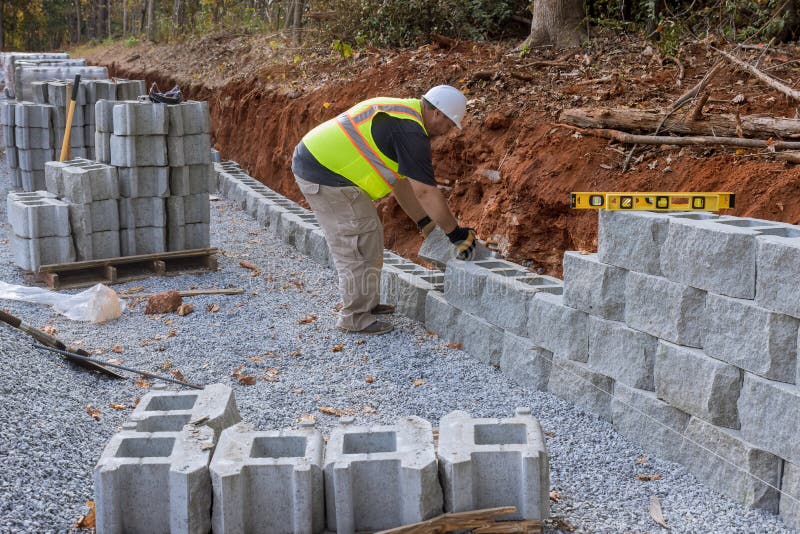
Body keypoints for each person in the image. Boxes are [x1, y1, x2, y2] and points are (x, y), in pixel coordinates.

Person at [292, 85, 478, 335]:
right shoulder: (411, 132)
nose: (447, 132)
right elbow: (425, 191)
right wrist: (455, 235)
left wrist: (425, 223)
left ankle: (366, 305)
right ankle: (355, 317)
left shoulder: (404, 115)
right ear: (437, 114)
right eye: (449, 124)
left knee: (369, 236)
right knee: (355, 243)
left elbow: (400, 182)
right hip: (324, 172)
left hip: (324, 166)